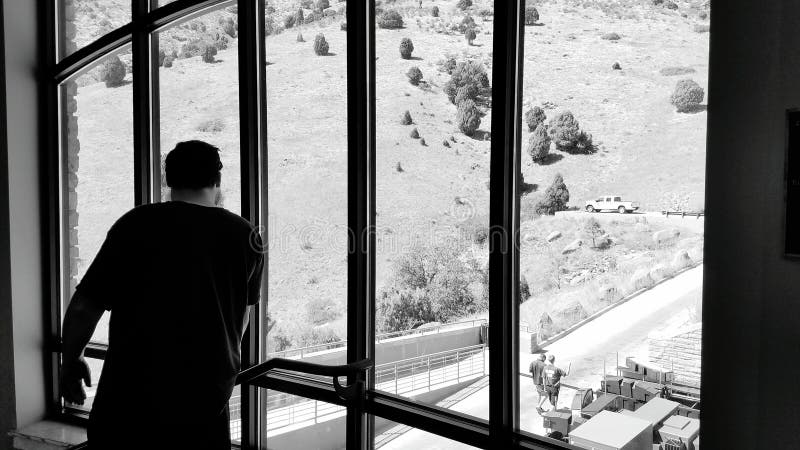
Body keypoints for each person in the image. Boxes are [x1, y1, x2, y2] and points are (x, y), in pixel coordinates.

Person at [60, 141, 264, 450]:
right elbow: (242, 314)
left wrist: (71, 359)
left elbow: (85, 307)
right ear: (217, 180)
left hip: (129, 401)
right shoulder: (245, 235)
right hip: (204, 404)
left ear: (168, 180)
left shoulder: (136, 224)